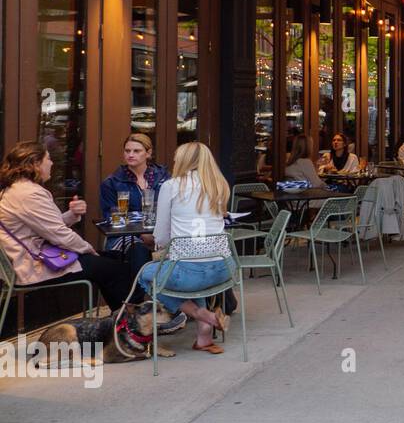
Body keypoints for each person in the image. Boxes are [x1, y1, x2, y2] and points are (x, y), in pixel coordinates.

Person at [0, 141, 134, 312]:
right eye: (48, 159)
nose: (52, 163)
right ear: (35, 164)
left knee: (111, 259)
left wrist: (72, 215)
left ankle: (123, 319)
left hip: (25, 262)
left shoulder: (14, 189)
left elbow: (47, 227)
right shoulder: (29, 194)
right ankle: (132, 321)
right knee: (114, 269)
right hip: (33, 267)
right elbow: (59, 235)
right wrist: (88, 249)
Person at [135, 142, 232, 355]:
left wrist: (158, 243)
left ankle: (203, 316)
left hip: (190, 272)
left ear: (184, 161)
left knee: (147, 275)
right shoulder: (219, 184)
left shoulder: (171, 186)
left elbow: (160, 236)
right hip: (225, 269)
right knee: (191, 269)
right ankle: (204, 337)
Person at [99, 133, 170, 276]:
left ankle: (178, 295)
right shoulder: (112, 182)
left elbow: (173, 209)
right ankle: (137, 297)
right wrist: (142, 234)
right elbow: (111, 217)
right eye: (127, 151)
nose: (130, 155)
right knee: (138, 250)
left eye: (136, 151)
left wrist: (158, 234)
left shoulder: (164, 177)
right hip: (126, 236)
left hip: (162, 234)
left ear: (148, 153)